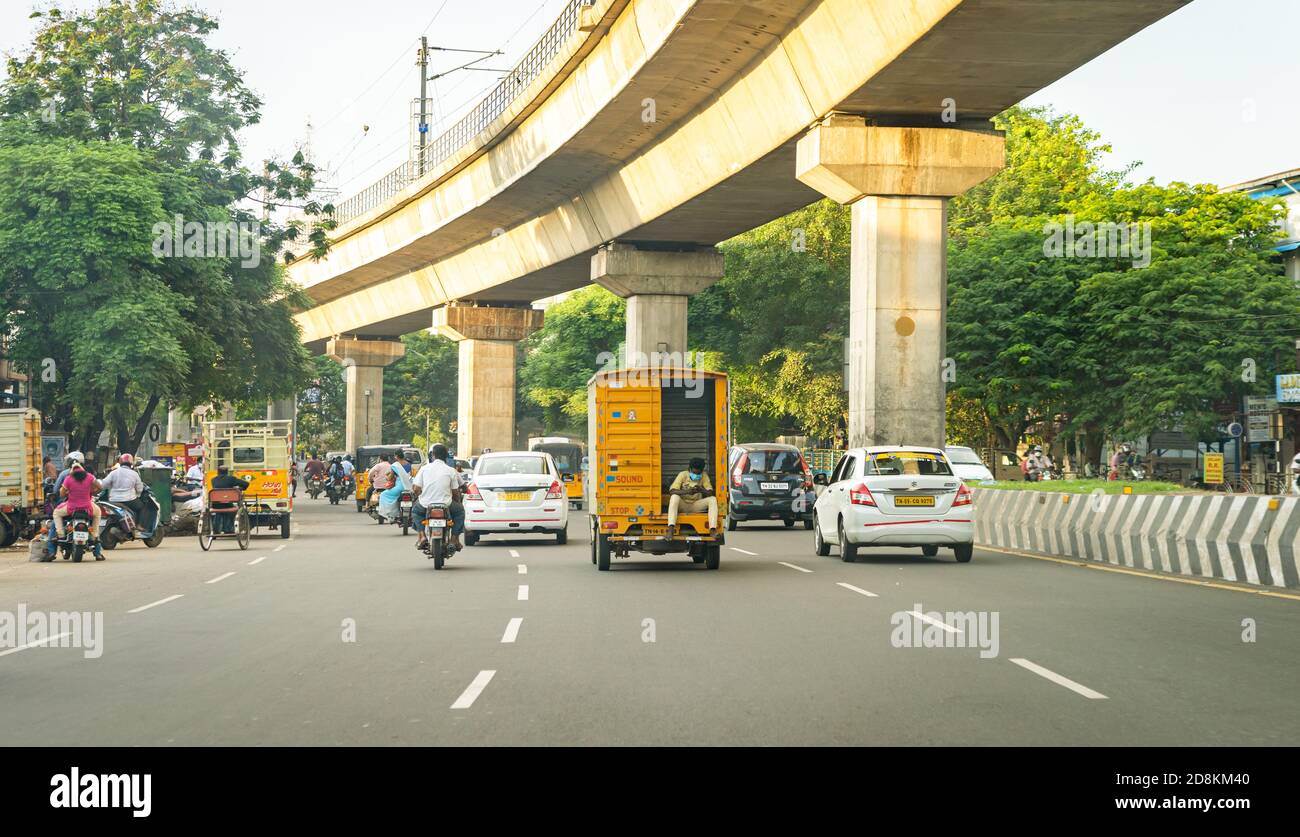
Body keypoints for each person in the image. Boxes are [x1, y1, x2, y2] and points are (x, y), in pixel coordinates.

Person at [412, 444, 463, 550]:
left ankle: (422, 536)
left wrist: (417, 496)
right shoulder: (450, 470)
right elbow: (455, 492)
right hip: (446, 504)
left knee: (416, 512)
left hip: (426, 504)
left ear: (433, 455)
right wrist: (458, 503)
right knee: (460, 513)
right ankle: (454, 539)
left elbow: (416, 489)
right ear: (446, 456)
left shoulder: (424, 469)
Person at [49, 462, 102, 557]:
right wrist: (92, 492)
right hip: (88, 508)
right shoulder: (89, 477)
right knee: (98, 513)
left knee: (56, 513)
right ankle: (94, 536)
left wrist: (68, 492)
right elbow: (100, 487)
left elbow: (61, 494)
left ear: (71, 471)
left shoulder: (68, 478)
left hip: (71, 508)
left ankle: (60, 534)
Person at [666, 457, 718, 537]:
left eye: (699, 473)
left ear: (702, 471)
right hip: (683, 505)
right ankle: (671, 528)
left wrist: (701, 490)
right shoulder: (683, 474)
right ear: (689, 469)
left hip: (695, 505)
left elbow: (710, 492)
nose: (696, 475)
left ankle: (712, 529)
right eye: (694, 472)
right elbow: (672, 491)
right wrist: (688, 491)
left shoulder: (704, 476)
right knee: (674, 497)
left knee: (713, 499)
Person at [100, 453, 147, 530]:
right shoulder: (134, 474)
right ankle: (138, 525)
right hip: (129, 500)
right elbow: (139, 489)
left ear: (120, 462)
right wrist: (138, 495)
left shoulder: (113, 473)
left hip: (113, 500)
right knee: (141, 507)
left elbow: (103, 485)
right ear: (131, 463)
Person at [210, 465, 250, 534]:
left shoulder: (213, 480)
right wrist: (240, 488)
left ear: (218, 472)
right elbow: (246, 484)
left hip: (215, 504)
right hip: (227, 503)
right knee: (230, 508)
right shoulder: (231, 479)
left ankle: (215, 529)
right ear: (227, 472)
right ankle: (227, 529)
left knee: (219, 510)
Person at [376, 452, 413, 521]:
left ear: (396, 456)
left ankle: (390, 514)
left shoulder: (395, 465)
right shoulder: (409, 464)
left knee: (383, 495)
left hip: (400, 487)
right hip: (409, 486)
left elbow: (390, 478)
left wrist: (386, 477)